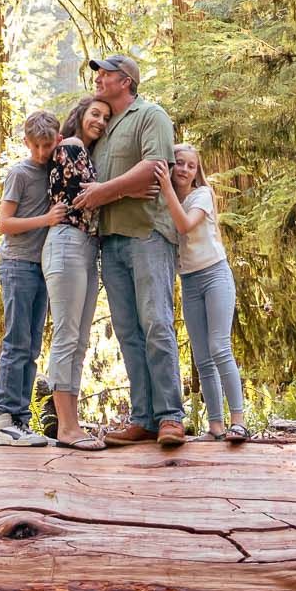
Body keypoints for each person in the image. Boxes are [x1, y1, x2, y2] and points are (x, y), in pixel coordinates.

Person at [72, 54, 185, 449]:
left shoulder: (150, 115)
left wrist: (104, 192)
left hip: (147, 234)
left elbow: (155, 168)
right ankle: (144, 419)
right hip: (111, 239)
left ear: (126, 80)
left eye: (105, 73)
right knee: (128, 332)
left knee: (156, 322)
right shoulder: (102, 126)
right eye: (98, 73)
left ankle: (171, 416)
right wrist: (114, 190)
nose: (99, 78)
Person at [154, 145, 247, 444]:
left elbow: (184, 224)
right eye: (178, 163)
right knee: (202, 358)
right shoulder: (167, 200)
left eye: (190, 166)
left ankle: (239, 422)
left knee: (220, 348)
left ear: (197, 172)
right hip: (190, 282)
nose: (183, 169)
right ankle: (216, 426)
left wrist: (166, 187)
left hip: (215, 275)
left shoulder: (201, 195)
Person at [0, 110, 64, 447]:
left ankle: (20, 420)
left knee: (32, 347)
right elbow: (4, 224)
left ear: (57, 140)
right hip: (17, 264)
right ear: (26, 143)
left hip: (41, 268)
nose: (41, 153)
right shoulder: (19, 172)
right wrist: (45, 219)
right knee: (16, 344)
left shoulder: (55, 171)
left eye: (47, 145)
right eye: (35, 146)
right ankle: (3, 419)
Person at [42, 95, 111, 451]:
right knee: (68, 335)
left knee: (80, 339)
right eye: (94, 114)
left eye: (105, 117)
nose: (99, 120)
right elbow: (86, 197)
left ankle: (72, 423)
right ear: (80, 115)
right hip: (67, 241)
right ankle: (65, 427)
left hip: (86, 245)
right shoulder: (70, 146)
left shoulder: (87, 153)